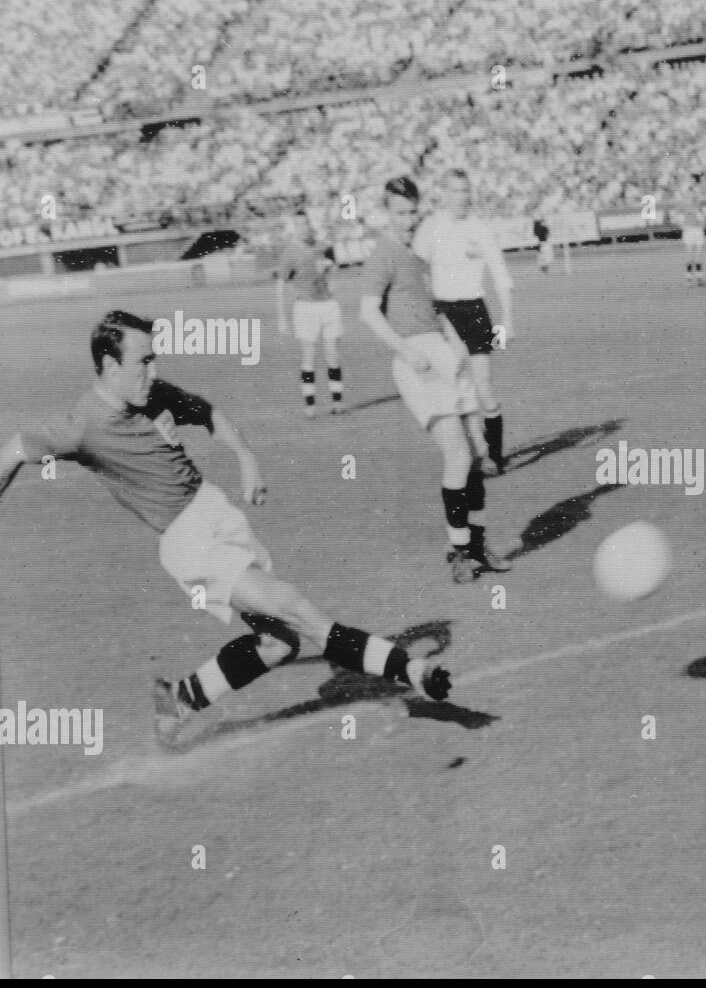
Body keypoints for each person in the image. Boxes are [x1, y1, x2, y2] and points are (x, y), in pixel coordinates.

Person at [0, 311, 453, 750]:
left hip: (219, 514)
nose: (153, 370)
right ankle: (410, 672)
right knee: (297, 608)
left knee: (279, 644)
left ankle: (179, 699)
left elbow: (206, 412)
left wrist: (246, 458)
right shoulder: (82, 427)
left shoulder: (153, 393)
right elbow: (13, 451)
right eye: (143, 361)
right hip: (188, 542)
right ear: (109, 365)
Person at [358, 176, 511, 582]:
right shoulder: (384, 254)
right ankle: (459, 552)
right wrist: (406, 351)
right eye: (400, 213)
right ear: (387, 213)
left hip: (444, 354)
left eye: (412, 212)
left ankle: (476, 545)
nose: (408, 220)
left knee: (477, 454)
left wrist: (456, 343)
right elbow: (369, 312)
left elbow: (434, 309)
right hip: (416, 359)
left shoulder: (420, 256)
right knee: (458, 455)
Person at [412, 169, 514, 476]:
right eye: (455, 191)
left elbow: (499, 273)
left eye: (465, 191)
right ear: (443, 193)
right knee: (454, 386)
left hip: (475, 310)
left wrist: (508, 318)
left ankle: (493, 455)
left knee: (483, 386)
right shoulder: (430, 227)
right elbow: (418, 272)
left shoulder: (480, 228)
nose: (462, 197)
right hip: (443, 313)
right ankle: (471, 452)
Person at [278, 213, 344, 417]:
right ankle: (310, 405)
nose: (303, 227)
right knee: (309, 356)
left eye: (305, 223)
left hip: (328, 305)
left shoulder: (322, 246)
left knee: (332, 354)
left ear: (310, 224)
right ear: (294, 228)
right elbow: (280, 283)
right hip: (305, 308)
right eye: (298, 224)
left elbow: (334, 267)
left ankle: (337, 403)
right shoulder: (290, 252)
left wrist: (330, 274)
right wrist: (282, 316)